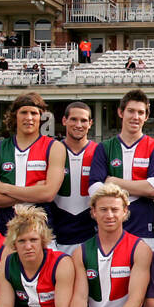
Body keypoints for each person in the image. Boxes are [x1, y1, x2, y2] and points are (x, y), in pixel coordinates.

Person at [0, 93, 64, 237]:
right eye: (24, 112)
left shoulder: (54, 147)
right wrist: (35, 191)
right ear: (14, 116)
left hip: (42, 231)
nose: (29, 118)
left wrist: (5, 188)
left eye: (34, 113)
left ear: (41, 116)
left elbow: (48, 194)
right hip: (6, 231)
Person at [91, 89, 154, 248]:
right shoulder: (105, 147)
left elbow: (152, 188)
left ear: (146, 116)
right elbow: (94, 189)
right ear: (120, 112)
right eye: (131, 111)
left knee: (144, 272)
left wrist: (112, 181)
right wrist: (139, 187)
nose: (135, 117)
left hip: (143, 228)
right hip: (110, 229)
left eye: (140, 112)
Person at [49, 101, 99, 255]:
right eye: (74, 119)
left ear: (90, 123)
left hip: (90, 233)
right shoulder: (52, 151)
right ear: (64, 121)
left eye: (84, 120)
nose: (79, 125)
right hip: (59, 233)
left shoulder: (99, 151)